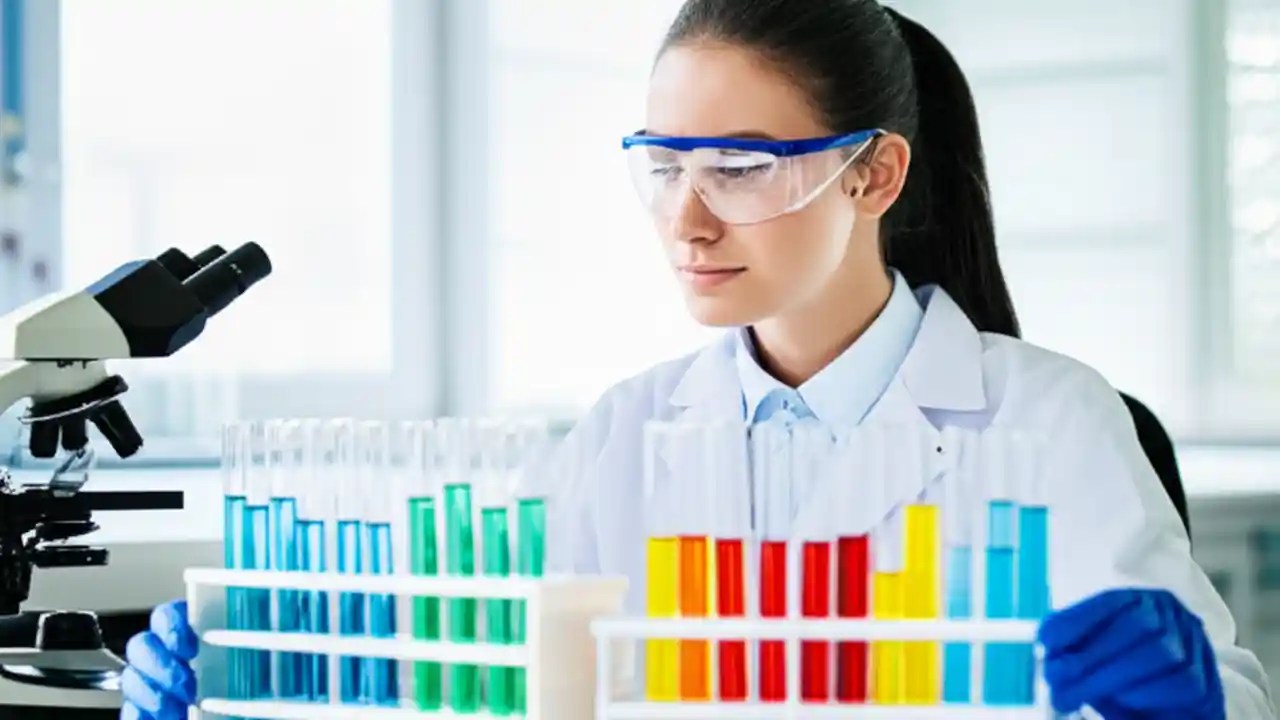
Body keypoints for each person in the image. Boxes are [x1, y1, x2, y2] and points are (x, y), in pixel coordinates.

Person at [119, 1, 1275, 718]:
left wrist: (1189, 708)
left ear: (871, 174)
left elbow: (1219, 703)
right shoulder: (623, 434)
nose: (685, 221)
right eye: (663, 165)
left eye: (737, 165)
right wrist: (239, 689)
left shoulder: (1054, 421)